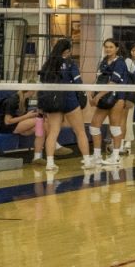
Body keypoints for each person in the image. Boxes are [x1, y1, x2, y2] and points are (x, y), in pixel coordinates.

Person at [36, 38, 93, 172]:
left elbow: (42, 84)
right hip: (69, 100)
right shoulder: (70, 64)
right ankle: (87, 161)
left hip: (53, 101)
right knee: (80, 131)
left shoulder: (48, 64)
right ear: (67, 50)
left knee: (53, 132)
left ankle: (50, 163)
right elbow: (78, 84)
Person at [86, 38, 127, 165]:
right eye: (106, 47)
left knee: (114, 127)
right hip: (104, 97)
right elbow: (99, 79)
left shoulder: (120, 62)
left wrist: (98, 96)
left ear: (117, 49)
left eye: (111, 47)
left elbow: (113, 82)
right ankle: (97, 155)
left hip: (117, 97)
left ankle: (115, 156)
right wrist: (92, 93)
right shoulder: (103, 61)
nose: (108, 49)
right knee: (94, 126)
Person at [0, 90, 42, 158]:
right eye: (34, 90)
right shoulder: (13, 100)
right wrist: (27, 116)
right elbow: (7, 121)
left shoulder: (25, 100)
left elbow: (20, 116)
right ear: (30, 91)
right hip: (6, 127)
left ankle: (38, 155)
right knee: (39, 121)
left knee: (40, 126)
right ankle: (48, 148)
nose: (35, 92)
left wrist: (30, 116)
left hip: (17, 125)